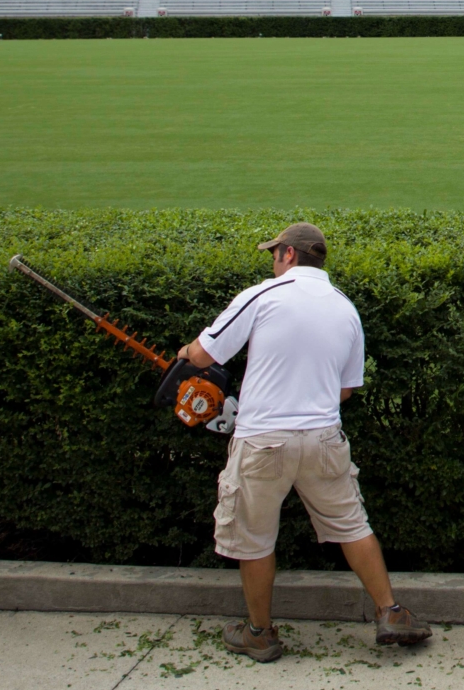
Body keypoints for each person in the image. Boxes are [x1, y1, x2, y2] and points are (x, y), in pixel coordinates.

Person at [176, 222, 431, 661]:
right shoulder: (344, 308)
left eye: (274, 253)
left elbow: (203, 355)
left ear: (288, 255)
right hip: (323, 439)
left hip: (262, 441)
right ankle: (390, 612)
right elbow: (347, 388)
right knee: (352, 524)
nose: (272, 261)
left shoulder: (263, 295)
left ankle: (259, 633)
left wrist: (182, 356)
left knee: (254, 539)